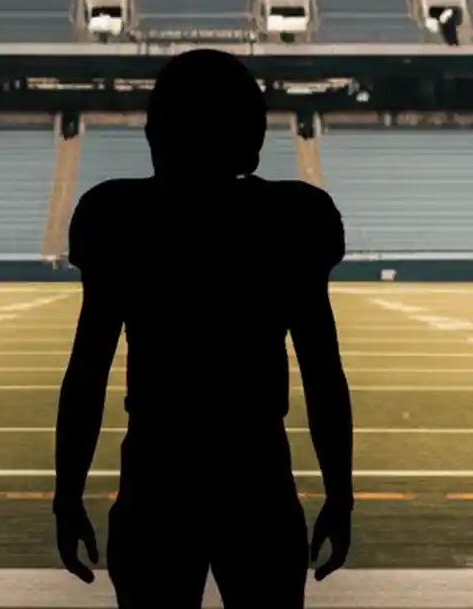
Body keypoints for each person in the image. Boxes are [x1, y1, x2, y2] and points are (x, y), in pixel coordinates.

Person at [53, 49, 353, 608]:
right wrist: (340, 492)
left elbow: (88, 368)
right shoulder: (292, 220)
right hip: (255, 477)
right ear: (252, 137)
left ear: (156, 133)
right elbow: (322, 371)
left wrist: (67, 494)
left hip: (158, 475)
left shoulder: (118, 216)